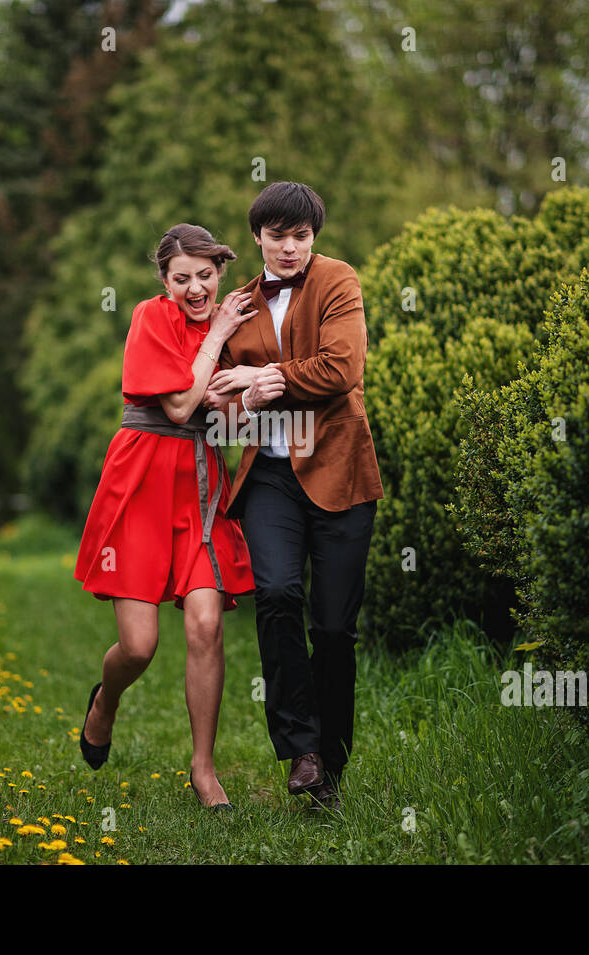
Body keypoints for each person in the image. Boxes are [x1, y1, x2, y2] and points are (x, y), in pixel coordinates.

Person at [204, 182, 383, 811]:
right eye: (277, 235)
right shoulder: (239, 305)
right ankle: (300, 749)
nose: (289, 247)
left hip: (340, 470)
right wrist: (239, 397)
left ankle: (330, 767)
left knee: (334, 629)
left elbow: (342, 370)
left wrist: (263, 378)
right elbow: (217, 408)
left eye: (300, 236)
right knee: (276, 594)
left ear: (314, 238)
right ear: (257, 237)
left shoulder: (338, 281)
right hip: (270, 477)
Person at [73, 223, 258, 811]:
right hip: (141, 486)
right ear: (164, 280)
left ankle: (204, 771)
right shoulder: (151, 319)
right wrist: (217, 343)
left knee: (205, 624)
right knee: (140, 645)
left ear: (220, 273)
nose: (197, 289)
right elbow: (179, 406)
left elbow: (230, 416)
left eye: (206, 276)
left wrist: (239, 399)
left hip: (199, 492)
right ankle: (106, 701)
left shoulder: (234, 329)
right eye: (183, 278)